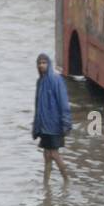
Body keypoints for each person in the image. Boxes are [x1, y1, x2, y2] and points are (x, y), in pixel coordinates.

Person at [32, 53, 72, 182]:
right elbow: (38, 105)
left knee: (54, 154)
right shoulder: (40, 82)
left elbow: (63, 102)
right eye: (39, 63)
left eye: (44, 63)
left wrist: (66, 123)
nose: (42, 65)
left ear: (49, 64)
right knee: (46, 155)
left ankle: (67, 180)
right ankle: (46, 185)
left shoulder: (56, 80)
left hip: (55, 125)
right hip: (44, 126)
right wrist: (36, 127)